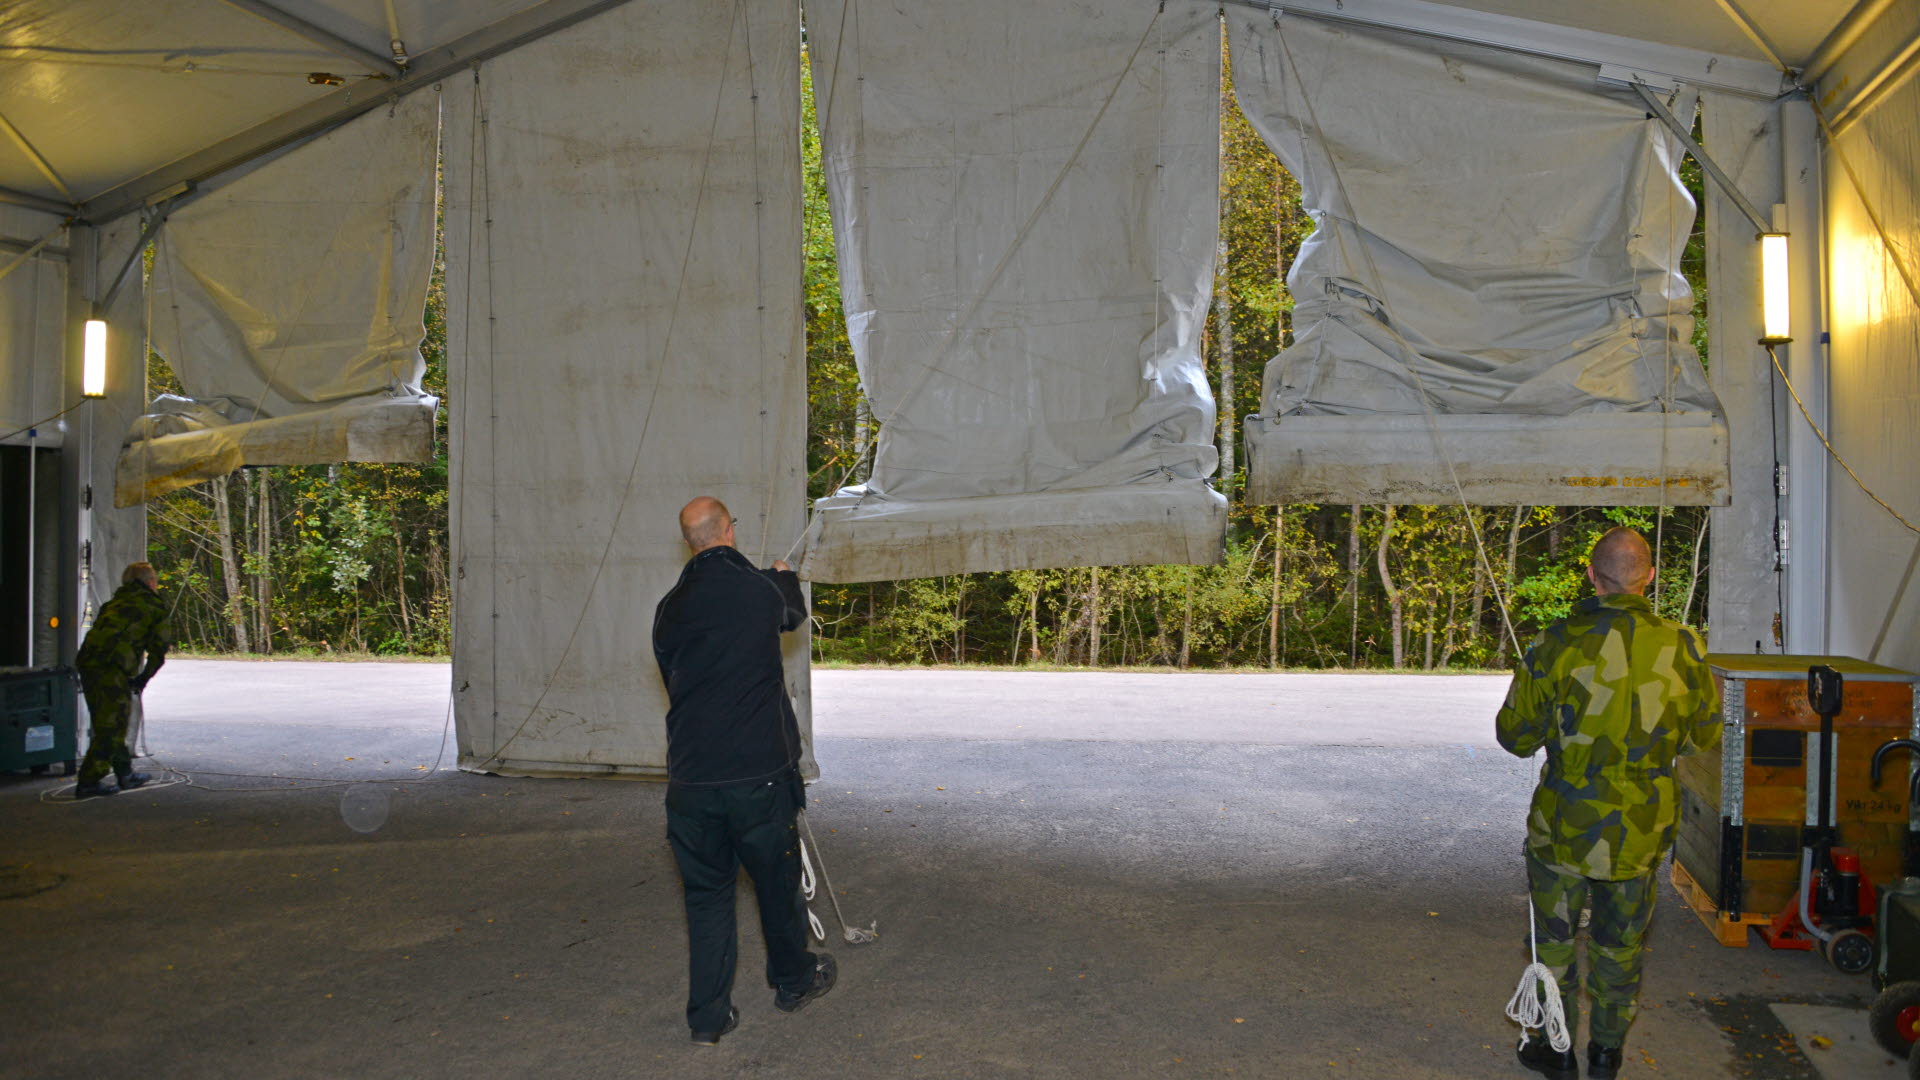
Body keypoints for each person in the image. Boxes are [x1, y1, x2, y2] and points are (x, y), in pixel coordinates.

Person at [1496, 527, 1720, 1080]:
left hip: (1565, 824)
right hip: (1641, 828)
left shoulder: (1556, 641)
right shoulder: (1685, 646)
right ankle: (1605, 1056)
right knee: (1620, 948)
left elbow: (1514, 736)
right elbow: (1702, 738)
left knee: (1552, 945)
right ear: (1647, 577)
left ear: (1593, 577)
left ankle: (1558, 1051)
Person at [652, 496, 835, 1044]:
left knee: (706, 899)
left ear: (690, 542)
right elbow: (791, 616)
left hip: (690, 784)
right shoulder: (757, 588)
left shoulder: (668, 606)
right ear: (729, 531)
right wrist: (784, 577)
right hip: (757, 778)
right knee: (776, 886)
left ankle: (708, 1019)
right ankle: (793, 981)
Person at [73, 561, 171, 799]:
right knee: (112, 726)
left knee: (108, 721)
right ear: (150, 582)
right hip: (112, 669)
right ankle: (88, 781)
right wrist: (143, 679)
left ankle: (125, 773)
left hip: (88, 665)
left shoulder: (112, 604)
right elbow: (159, 651)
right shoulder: (153, 606)